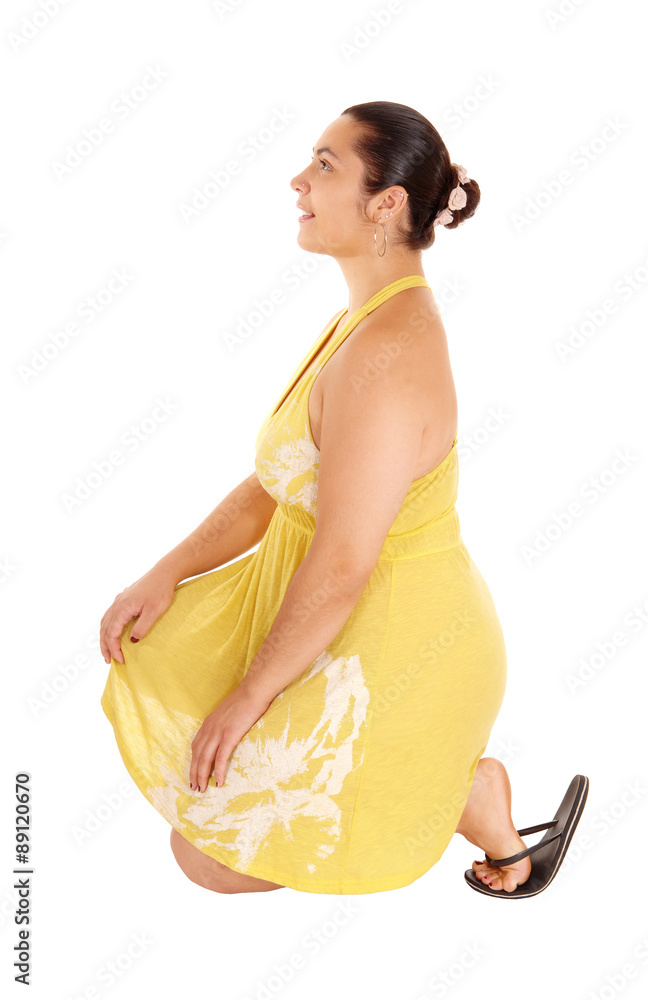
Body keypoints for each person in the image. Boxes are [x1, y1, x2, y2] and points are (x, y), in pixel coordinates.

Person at [100, 101, 587, 898]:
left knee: (210, 862)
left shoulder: (392, 354)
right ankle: (465, 792)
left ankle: (467, 795)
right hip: (338, 616)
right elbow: (278, 483)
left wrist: (250, 697)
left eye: (325, 165)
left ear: (386, 203)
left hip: (395, 646)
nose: (299, 180)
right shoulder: (360, 322)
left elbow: (344, 563)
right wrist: (166, 570)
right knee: (198, 821)